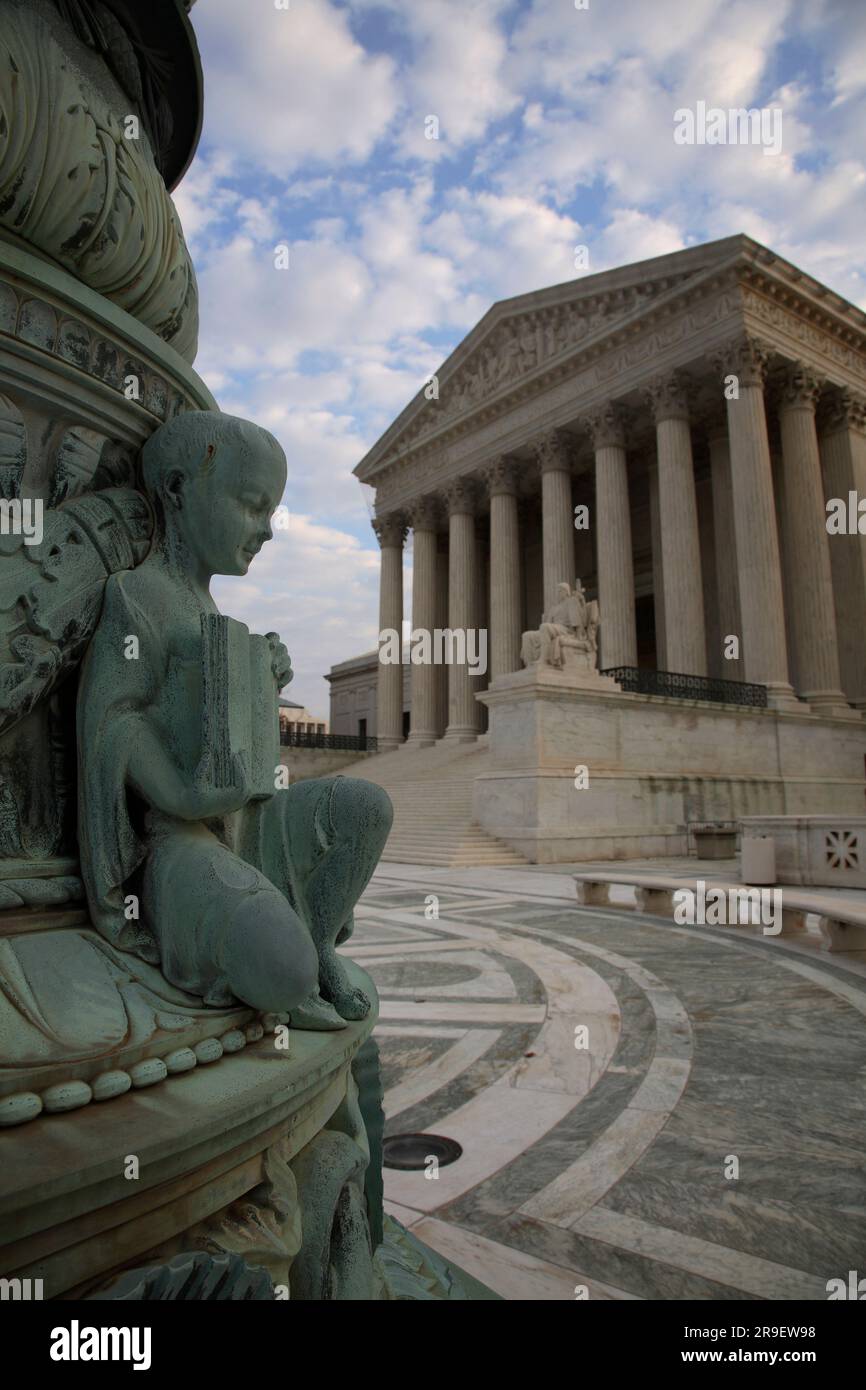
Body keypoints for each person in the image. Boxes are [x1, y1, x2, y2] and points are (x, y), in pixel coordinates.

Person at [77, 410, 392, 1029]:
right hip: (182, 839)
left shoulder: (216, 615)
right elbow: (113, 722)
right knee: (281, 970)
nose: (267, 530)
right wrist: (181, 794)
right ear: (176, 490)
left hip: (254, 822)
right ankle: (295, 956)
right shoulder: (135, 597)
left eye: (272, 512)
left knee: (368, 806)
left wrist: (261, 676)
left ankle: (320, 941)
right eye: (252, 507)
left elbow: (239, 738)